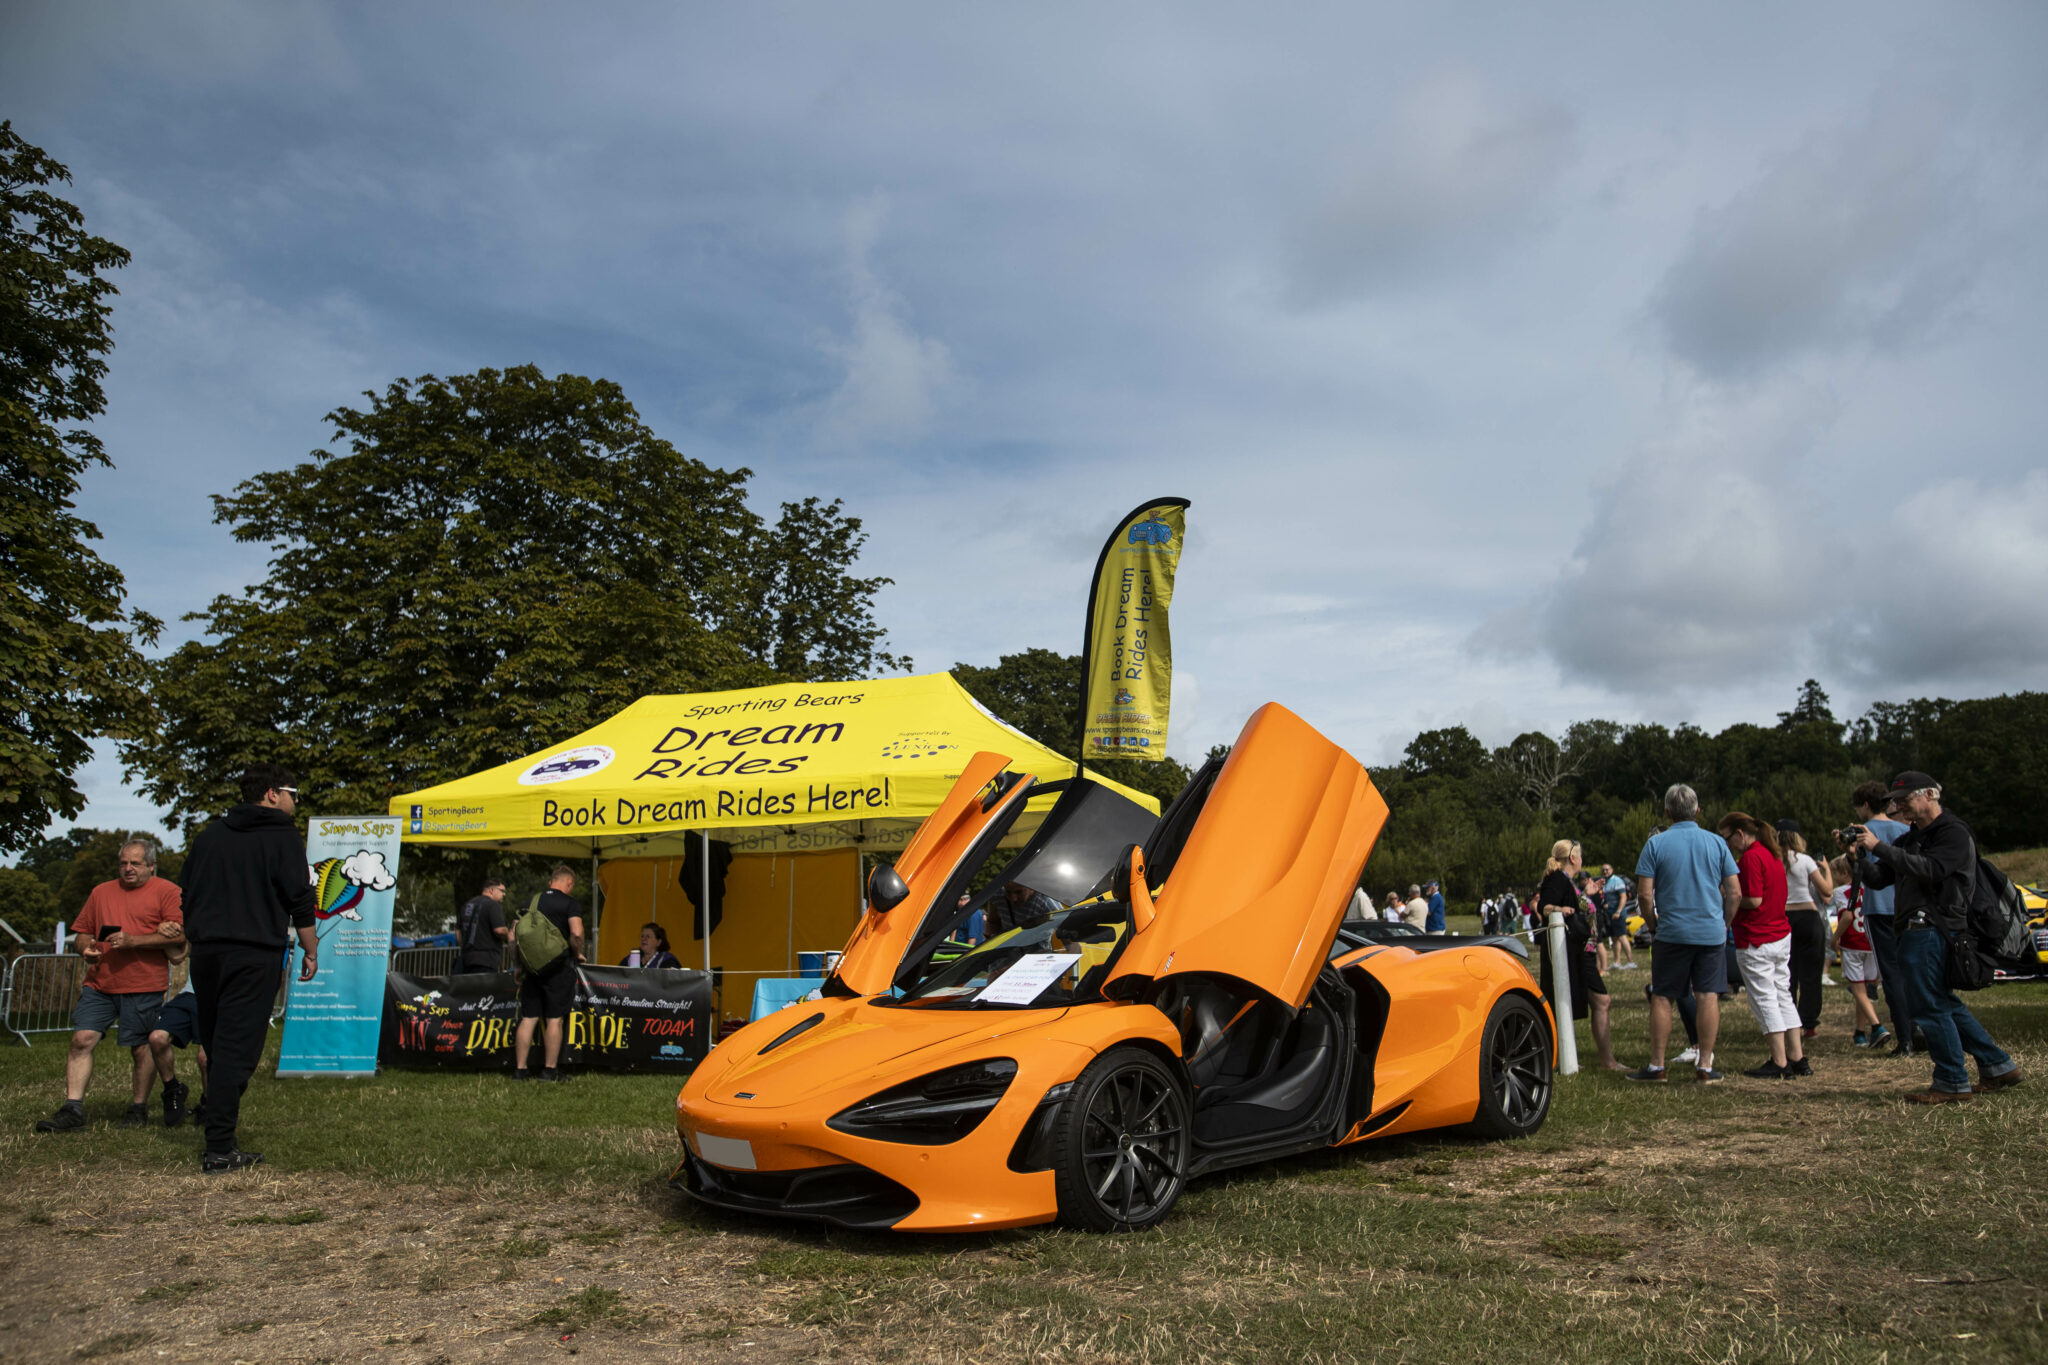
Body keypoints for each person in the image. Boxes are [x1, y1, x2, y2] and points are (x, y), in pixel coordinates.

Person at [177, 765, 319, 1171]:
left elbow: (185, 892)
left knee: (217, 1044)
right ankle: (220, 1147)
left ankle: (219, 1132)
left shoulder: (210, 836)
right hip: (254, 954)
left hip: (207, 954)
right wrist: (310, 950)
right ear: (272, 794)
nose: (296, 802)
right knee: (237, 1051)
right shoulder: (282, 835)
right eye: (294, 794)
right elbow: (299, 897)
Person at [1852, 771, 2021, 1103]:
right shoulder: (1910, 837)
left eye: (1905, 799)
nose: (1899, 806)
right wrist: (1855, 854)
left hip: (1934, 928)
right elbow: (1879, 878)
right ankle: (1998, 1066)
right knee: (1942, 1002)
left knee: (1929, 1006)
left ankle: (1952, 1082)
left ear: (1930, 794)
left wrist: (1879, 847)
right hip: (1917, 929)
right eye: (1895, 801)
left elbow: (1931, 870)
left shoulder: (1953, 833)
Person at [33, 839, 186, 1134]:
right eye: (123, 863)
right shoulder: (101, 892)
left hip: (143, 983)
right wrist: (85, 948)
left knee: (140, 1049)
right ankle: (72, 1109)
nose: (128, 868)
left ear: (152, 866)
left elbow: (179, 937)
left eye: (135, 863)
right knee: (81, 1040)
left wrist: (134, 941)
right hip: (99, 983)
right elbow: (82, 931)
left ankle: (138, 1107)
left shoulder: (168, 891)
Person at [1627, 783, 1739, 1084]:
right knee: (1708, 995)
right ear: (1698, 811)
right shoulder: (1717, 843)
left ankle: (1657, 1066)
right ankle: (1705, 1065)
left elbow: (1645, 895)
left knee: (1663, 997)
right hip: (1710, 931)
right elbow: (1735, 892)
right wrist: (1725, 923)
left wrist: (1652, 925)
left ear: (1667, 813)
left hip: (1671, 931)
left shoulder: (1655, 844)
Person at [1719, 813, 1807, 1080]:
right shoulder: (1773, 854)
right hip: (1779, 934)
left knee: (1764, 998)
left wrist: (1727, 894)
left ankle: (1779, 1062)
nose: (1728, 845)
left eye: (1727, 839)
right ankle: (1797, 1057)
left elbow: (1753, 899)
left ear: (1739, 834)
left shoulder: (1751, 858)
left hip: (1757, 937)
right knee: (1783, 995)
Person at [1846, 780, 1919, 1055]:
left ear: (1865, 805)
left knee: (1891, 974)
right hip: (1906, 906)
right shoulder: (1905, 830)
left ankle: (1905, 1039)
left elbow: (1861, 871)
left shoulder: (1861, 833)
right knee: (1912, 972)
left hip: (1878, 908)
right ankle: (1919, 1029)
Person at [1537, 839, 1620, 1071]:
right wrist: (1558, 909)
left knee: (1595, 1001)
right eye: (1580, 855)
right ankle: (1606, 1061)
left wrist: (1585, 894)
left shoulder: (1566, 880)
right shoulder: (1557, 878)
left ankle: (1570, 1058)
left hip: (1582, 952)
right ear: (1573, 858)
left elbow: (1573, 907)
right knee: (1600, 1001)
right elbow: (1544, 906)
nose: (1582, 859)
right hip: (1577, 953)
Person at [513, 864, 586, 1081]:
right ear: (569, 883)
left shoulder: (530, 903)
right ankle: (550, 1070)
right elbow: (577, 933)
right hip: (558, 967)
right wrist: (577, 952)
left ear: (550, 882)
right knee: (555, 1019)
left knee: (528, 1018)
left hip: (532, 968)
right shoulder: (570, 904)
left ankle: (520, 1070)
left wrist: (518, 964)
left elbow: (512, 936)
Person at [1775, 821, 1833, 1038]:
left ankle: (1787, 1022)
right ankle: (1808, 1023)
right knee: (1811, 975)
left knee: (1786, 974)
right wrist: (1826, 869)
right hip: (1808, 918)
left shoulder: (1774, 861)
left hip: (1784, 917)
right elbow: (1827, 891)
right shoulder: (1805, 860)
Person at [1830, 858, 1884, 1047]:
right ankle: (1860, 1032)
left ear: (1844, 873)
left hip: (1852, 943)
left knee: (1858, 989)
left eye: (1835, 873)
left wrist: (1834, 938)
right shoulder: (1868, 889)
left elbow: (1847, 916)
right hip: (1870, 942)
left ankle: (1877, 1026)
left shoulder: (1841, 892)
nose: (1834, 877)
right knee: (1865, 990)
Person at [148, 973, 209, 1128]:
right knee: (157, 1039)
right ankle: (173, 1090)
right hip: (189, 995)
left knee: (205, 1058)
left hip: (220, 999)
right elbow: (177, 959)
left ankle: (208, 1105)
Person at [456, 876, 510, 972]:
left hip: (466, 959)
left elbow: (458, 934)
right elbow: (499, 930)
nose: (504, 894)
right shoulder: (493, 905)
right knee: (484, 982)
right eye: (502, 891)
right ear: (492, 890)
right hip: (486, 960)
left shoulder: (467, 905)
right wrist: (509, 935)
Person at [1601, 863, 1637, 969]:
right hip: (1609, 914)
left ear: (1612, 870)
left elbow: (1623, 897)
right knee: (1614, 938)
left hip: (1618, 913)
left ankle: (1631, 961)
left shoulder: (1617, 881)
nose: (1605, 872)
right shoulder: (1605, 882)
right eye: (1603, 870)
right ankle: (1617, 962)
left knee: (1621, 936)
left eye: (1607, 869)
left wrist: (1618, 911)